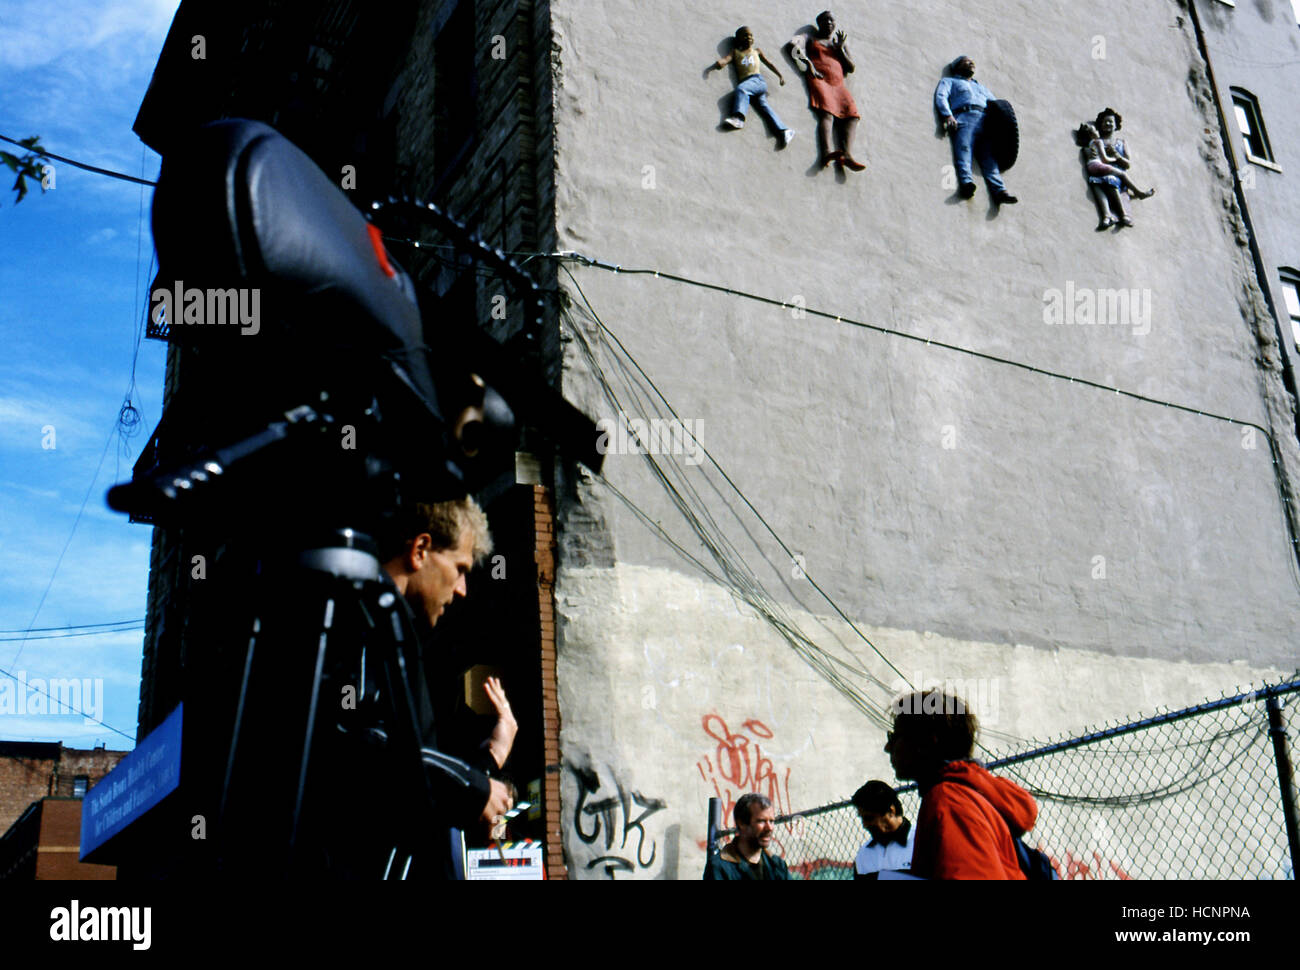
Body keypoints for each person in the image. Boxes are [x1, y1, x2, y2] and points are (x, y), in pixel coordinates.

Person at [885, 689, 1038, 879]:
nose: (887, 748)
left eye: (894, 737)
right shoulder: (965, 793)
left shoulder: (949, 799)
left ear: (926, 742)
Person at [934, 55, 1017, 204]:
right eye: (966, 61)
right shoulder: (950, 82)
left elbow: (995, 105)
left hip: (985, 121)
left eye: (972, 62)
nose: (971, 63)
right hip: (964, 116)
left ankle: (1000, 191)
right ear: (957, 67)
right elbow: (941, 96)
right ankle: (966, 183)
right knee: (964, 149)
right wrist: (947, 115)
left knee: (989, 158)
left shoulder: (981, 87)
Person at [791, 11, 865, 171]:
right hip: (821, 80)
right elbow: (792, 46)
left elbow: (851, 68)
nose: (830, 23)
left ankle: (847, 154)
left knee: (852, 115)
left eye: (832, 20)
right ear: (819, 23)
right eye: (826, 20)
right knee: (827, 113)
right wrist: (809, 65)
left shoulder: (838, 44)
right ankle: (826, 152)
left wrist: (840, 50)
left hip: (838, 84)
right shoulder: (811, 38)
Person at [709, 26, 796, 147]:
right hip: (750, 85)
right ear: (739, 39)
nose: (748, 37)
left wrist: (779, 75)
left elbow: (769, 63)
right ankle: (784, 130)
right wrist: (720, 63)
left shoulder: (757, 51)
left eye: (750, 35)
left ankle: (739, 118)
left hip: (757, 81)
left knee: (741, 89)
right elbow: (726, 59)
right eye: (745, 35)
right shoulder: (736, 52)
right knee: (764, 107)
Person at [1081, 108, 1152, 229]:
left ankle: (1123, 214)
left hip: (1118, 176)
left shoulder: (1121, 143)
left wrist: (1116, 155)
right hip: (1102, 172)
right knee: (1098, 181)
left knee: (1111, 179)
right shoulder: (1097, 142)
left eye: (1110, 122)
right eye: (1105, 122)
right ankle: (1108, 216)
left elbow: (1127, 164)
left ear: (1116, 126)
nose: (1108, 124)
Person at [703, 793, 792, 879]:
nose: (769, 828)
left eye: (771, 821)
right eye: (761, 821)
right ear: (741, 823)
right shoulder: (720, 867)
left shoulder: (777, 865)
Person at [850, 780, 915, 879]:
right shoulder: (863, 856)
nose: (864, 825)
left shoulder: (923, 841)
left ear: (891, 811)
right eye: (862, 818)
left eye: (869, 818)